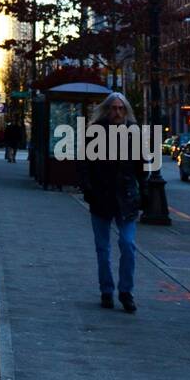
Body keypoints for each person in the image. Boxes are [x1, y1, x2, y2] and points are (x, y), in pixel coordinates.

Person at [77, 92, 147, 313]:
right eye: (114, 108)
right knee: (103, 248)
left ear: (126, 110)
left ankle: (125, 291)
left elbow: (141, 168)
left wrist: (143, 193)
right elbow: (84, 164)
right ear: (107, 110)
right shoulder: (94, 132)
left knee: (128, 244)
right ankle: (106, 290)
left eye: (121, 108)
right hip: (102, 197)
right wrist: (88, 189)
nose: (117, 112)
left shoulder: (134, 134)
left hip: (126, 198)